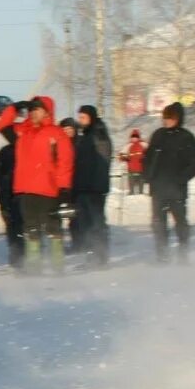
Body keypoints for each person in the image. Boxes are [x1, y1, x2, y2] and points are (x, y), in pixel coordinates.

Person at [0, 97, 73, 274]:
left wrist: (64, 189)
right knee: (30, 229)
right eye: (31, 110)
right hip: (25, 189)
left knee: (53, 229)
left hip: (49, 189)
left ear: (47, 111)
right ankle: (34, 269)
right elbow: (2, 126)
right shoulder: (22, 131)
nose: (33, 113)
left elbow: (65, 162)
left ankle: (58, 268)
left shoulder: (56, 133)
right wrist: (14, 108)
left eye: (37, 109)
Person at [144, 101, 195, 263]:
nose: (167, 121)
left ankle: (183, 254)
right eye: (165, 117)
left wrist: (181, 179)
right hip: (158, 188)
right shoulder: (158, 135)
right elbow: (148, 158)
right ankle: (162, 256)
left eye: (170, 118)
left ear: (179, 119)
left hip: (177, 189)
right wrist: (147, 175)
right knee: (158, 224)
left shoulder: (186, 137)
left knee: (181, 223)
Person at [73, 105, 114, 267]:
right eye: (80, 117)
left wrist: (97, 185)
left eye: (83, 117)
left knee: (96, 224)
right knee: (85, 225)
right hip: (83, 187)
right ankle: (91, 257)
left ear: (91, 117)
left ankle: (101, 257)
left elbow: (103, 161)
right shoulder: (84, 136)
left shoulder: (99, 134)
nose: (80, 121)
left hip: (95, 188)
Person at [0, 128, 25, 268]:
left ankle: (19, 256)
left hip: (17, 193)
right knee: (14, 226)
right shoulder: (5, 151)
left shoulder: (22, 150)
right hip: (8, 193)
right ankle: (17, 256)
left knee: (19, 226)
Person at [121, 129, 146, 194]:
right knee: (131, 184)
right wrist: (125, 158)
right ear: (131, 138)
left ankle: (141, 193)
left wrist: (145, 158)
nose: (134, 138)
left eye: (136, 137)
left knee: (141, 184)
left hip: (141, 169)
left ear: (138, 137)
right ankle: (131, 193)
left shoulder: (143, 145)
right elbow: (121, 156)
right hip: (131, 169)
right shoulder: (127, 146)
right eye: (133, 137)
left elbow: (150, 154)